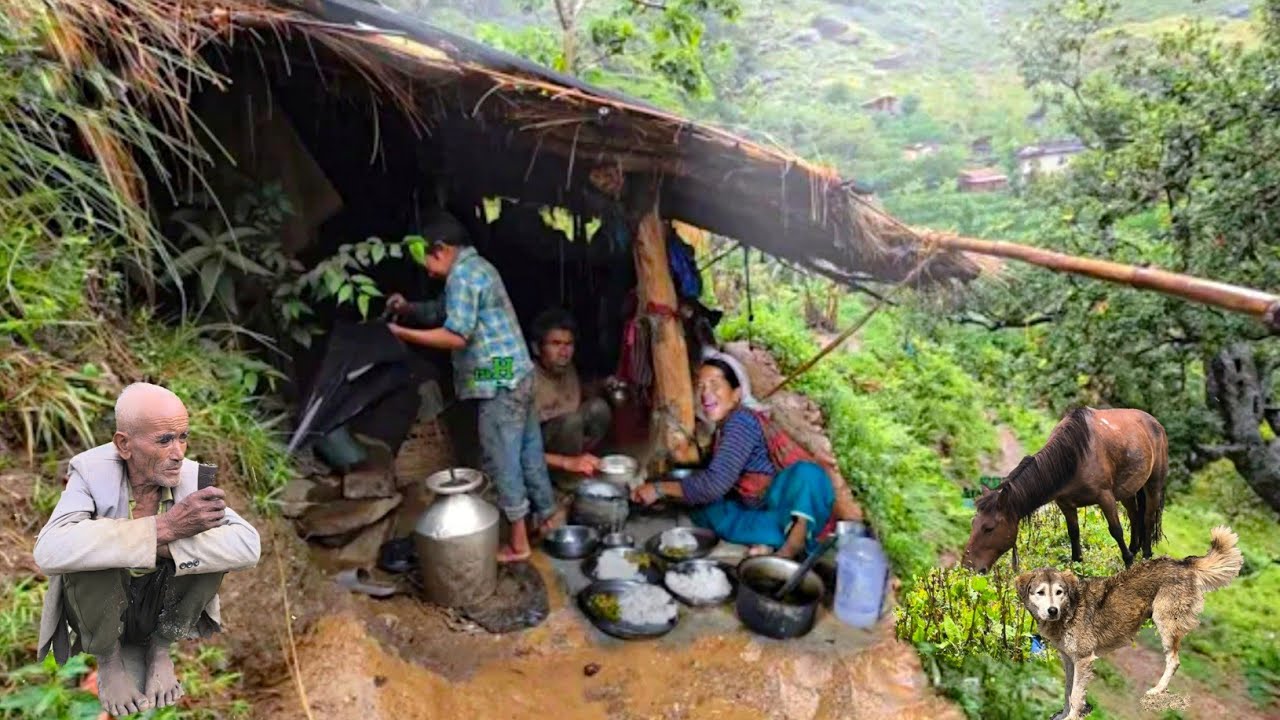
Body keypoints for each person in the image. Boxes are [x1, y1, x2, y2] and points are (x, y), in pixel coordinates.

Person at [33, 383, 261, 718]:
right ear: (124, 445)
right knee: (92, 557)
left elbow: (247, 545)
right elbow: (49, 551)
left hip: (161, 603)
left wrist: (167, 544)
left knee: (209, 552)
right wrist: (161, 529)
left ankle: (160, 647)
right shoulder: (91, 473)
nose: (179, 452)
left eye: (183, 436)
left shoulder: (190, 478)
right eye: (165, 440)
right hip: (103, 606)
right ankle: (109, 659)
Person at [385, 211, 560, 563]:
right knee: (527, 451)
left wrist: (401, 334)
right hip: (515, 370)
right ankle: (549, 520)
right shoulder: (478, 267)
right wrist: (409, 309)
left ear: (440, 249)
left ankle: (518, 543)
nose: (426, 270)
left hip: (499, 380)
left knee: (500, 458)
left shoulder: (461, 277)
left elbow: (455, 335)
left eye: (426, 261)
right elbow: (443, 311)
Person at [630, 359, 836, 559]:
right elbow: (716, 478)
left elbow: (714, 485)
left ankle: (792, 543)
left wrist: (659, 489)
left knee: (808, 474)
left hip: (783, 505)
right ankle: (774, 540)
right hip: (759, 509)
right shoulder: (725, 425)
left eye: (715, 385)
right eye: (700, 386)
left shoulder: (741, 421)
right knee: (709, 508)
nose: (705, 393)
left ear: (736, 394)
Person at [529, 308, 613, 478]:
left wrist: (605, 385)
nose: (564, 353)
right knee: (571, 421)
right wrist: (564, 462)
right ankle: (567, 480)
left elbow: (580, 392)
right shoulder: (526, 377)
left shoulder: (567, 368)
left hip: (569, 439)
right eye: (555, 344)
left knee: (598, 407)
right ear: (537, 348)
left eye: (568, 345)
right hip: (538, 452)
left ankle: (584, 462)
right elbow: (518, 447)